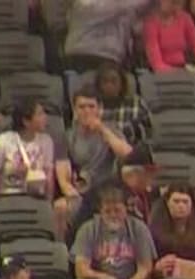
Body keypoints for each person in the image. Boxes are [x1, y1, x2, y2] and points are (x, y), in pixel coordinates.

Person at [53, 86, 134, 236]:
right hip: (80, 191)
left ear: (100, 109)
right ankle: (63, 252)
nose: (87, 111)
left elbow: (128, 155)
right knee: (60, 207)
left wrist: (102, 130)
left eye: (91, 107)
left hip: (108, 190)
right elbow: (62, 175)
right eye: (82, 107)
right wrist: (72, 194)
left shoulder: (112, 131)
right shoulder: (67, 137)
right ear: (75, 111)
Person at [72, 185, 156, 279]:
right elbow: (81, 269)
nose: (113, 215)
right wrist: (101, 277)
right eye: (107, 211)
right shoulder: (88, 229)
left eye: (117, 210)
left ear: (126, 209)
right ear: (100, 212)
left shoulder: (138, 228)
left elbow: (145, 268)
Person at [0, 100, 55, 205]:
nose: (45, 117)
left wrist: (47, 207)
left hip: (37, 200)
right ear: (26, 121)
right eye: (40, 114)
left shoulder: (47, 141)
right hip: (8, 199)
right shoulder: (2, 142)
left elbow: (49, 180)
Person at [144, 0, 195, 74]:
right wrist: (182, 73)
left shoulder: (185, 19)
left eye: (176, 3)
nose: (173, 6)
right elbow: (157, 65)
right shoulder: (151, 25)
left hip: (182, 67)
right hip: (161, 76)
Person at [94, 63, 152, 148]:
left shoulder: (136, 103)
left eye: (114, 81)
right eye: (105, 81)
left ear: (122, 83)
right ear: (99, 84)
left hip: (131, 152)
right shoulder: (90, 105)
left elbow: (148, 132)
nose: (109, 85)